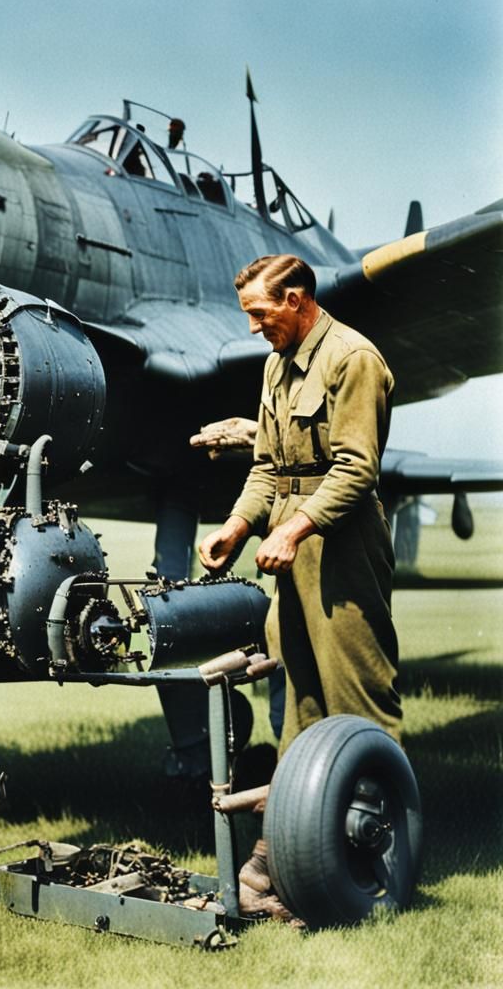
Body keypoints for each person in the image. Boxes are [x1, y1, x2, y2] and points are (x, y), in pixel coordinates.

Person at [198, 255, 401, 919]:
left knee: (357, 700)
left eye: (260, 314)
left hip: (339, 544)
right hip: (290, 545)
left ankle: (374, 861)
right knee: (300, 705)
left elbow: (357, 469)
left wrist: (298, 529)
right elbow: (267, 468)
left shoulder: (352, 357)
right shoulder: (276, 365)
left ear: (293, 299)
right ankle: (287, 856)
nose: (255, 329)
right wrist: (237, 526)